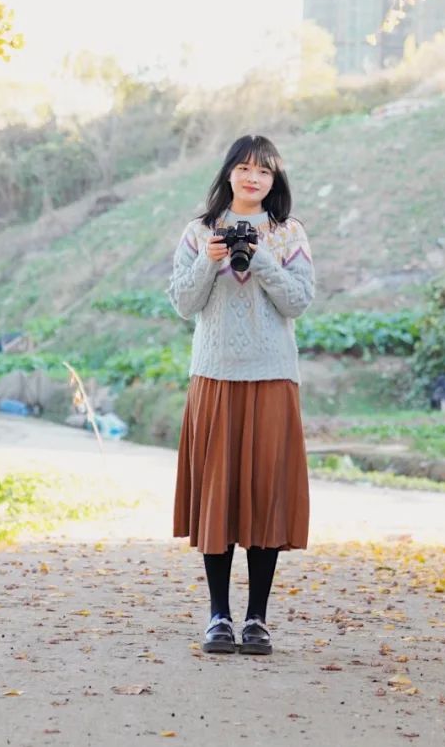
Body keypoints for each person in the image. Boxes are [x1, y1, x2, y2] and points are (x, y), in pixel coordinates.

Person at [168, 133, 314, 656]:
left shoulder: (289, 232)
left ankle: (257, 618)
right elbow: (185, 303)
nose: (253, 178)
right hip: (215, 377)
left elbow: (298, 302)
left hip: (273, 378)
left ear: (275, 181)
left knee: (264, 496)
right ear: (229, 172)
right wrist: (210, 259)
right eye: (245, 168)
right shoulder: (198, 231)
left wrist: (265, 258)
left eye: (265, 171)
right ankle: (218, 617)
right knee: (219, 499)